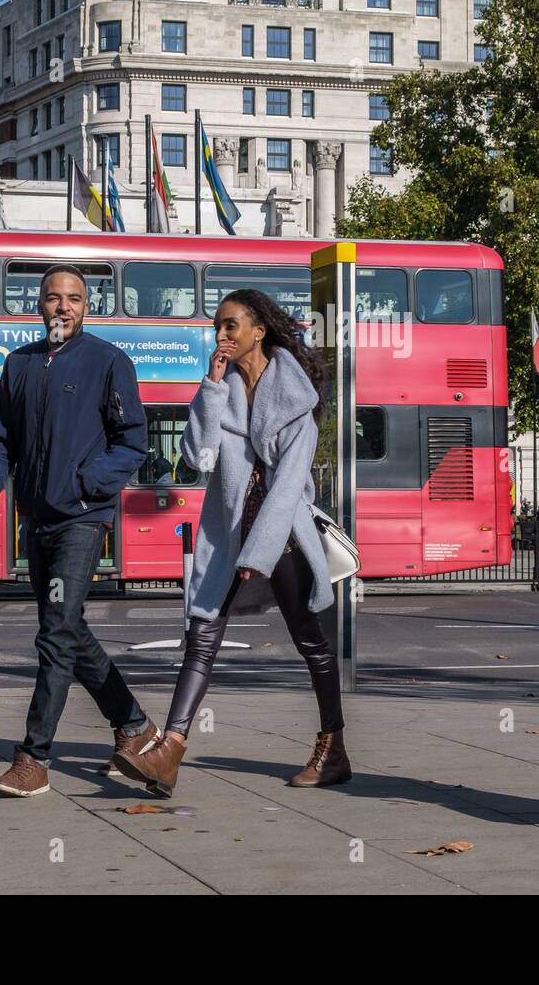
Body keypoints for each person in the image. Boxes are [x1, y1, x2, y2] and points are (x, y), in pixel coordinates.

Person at [112, 289, 348, 796]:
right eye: (217, 327)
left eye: (230, 326)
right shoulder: (222, 388)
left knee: (312, 645)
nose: (220, 336)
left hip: (280, 536)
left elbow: (288, 487)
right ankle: (171, 750)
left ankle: (334, 748)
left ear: (258, 331)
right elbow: (198, 457)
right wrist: (212, 389)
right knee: (200, 638)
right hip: (226, 533)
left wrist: (259, 554)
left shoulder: (296, 399)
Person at [0, 264, 157, 797]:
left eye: (73, 298)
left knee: (53, 634)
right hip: (36, 518)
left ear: (86, 306)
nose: (62, 306)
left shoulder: (109, 362)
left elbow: (132, 442)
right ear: (39, 305)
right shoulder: (19, 365)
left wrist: (88, 483)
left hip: (82, 518)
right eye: (53, 298)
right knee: (66, 628)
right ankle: (135, 726)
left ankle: (34, 757)